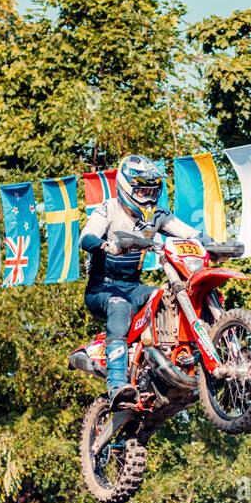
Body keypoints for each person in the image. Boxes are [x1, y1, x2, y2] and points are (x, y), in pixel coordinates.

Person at [79, 155, 203, 409]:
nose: (147, 196)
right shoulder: (109, 208)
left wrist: (210, 241)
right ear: (126, 188)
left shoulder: (157, 216)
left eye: (152, 191)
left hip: (134, 287)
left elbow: (189, 233)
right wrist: (104, 245)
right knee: (120, 304)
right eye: (141, 190)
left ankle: (166, 364)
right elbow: (86, 237)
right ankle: (116, 384)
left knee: (165, 297)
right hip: (102, 288)